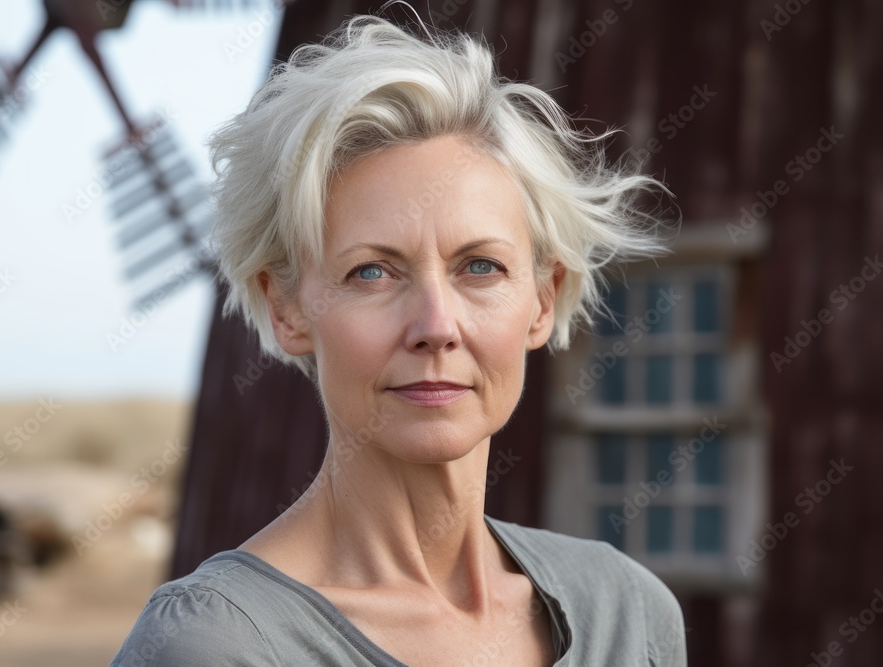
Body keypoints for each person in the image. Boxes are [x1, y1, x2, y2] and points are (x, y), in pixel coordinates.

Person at [112, 14, 685, 667]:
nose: (436, 326)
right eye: (373, 272)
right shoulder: (216, 647)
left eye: (480, 266)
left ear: (543, 297)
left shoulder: (631, 613)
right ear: (287, 307)